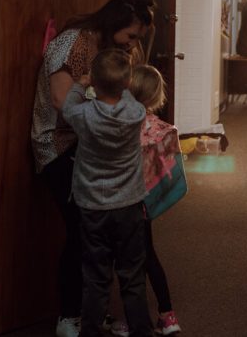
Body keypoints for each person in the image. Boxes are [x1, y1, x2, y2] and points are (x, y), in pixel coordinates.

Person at [30, 0, 155, 337]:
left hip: (86, 138)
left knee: (98, 238)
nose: (132, 45)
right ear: (114, 25)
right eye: (130, 36)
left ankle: (94, 314)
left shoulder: (110, 53)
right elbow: (60, 101)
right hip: (57, 142)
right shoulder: (71, 44)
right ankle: (70, 315)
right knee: (80, 232)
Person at [62, 48, 152, 336]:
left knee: (96, 279)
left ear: (95, 85)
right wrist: (118, 83)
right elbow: (124, 96)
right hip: (128, 206)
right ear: (127, 85)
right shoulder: (136, 113)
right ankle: (141, 331)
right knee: (132, 278)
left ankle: (90, 331)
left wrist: (81, 83)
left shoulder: (84, 115)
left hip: (92, 207)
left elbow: (66, 107)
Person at [128, 65, 182, 335]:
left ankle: (127, 319)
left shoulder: (119, 124)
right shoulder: (159, 129)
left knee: (121, 262)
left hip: (116, 202)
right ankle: (168, 315)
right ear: (156, 95)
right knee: (149, 256)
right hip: (144, 203)